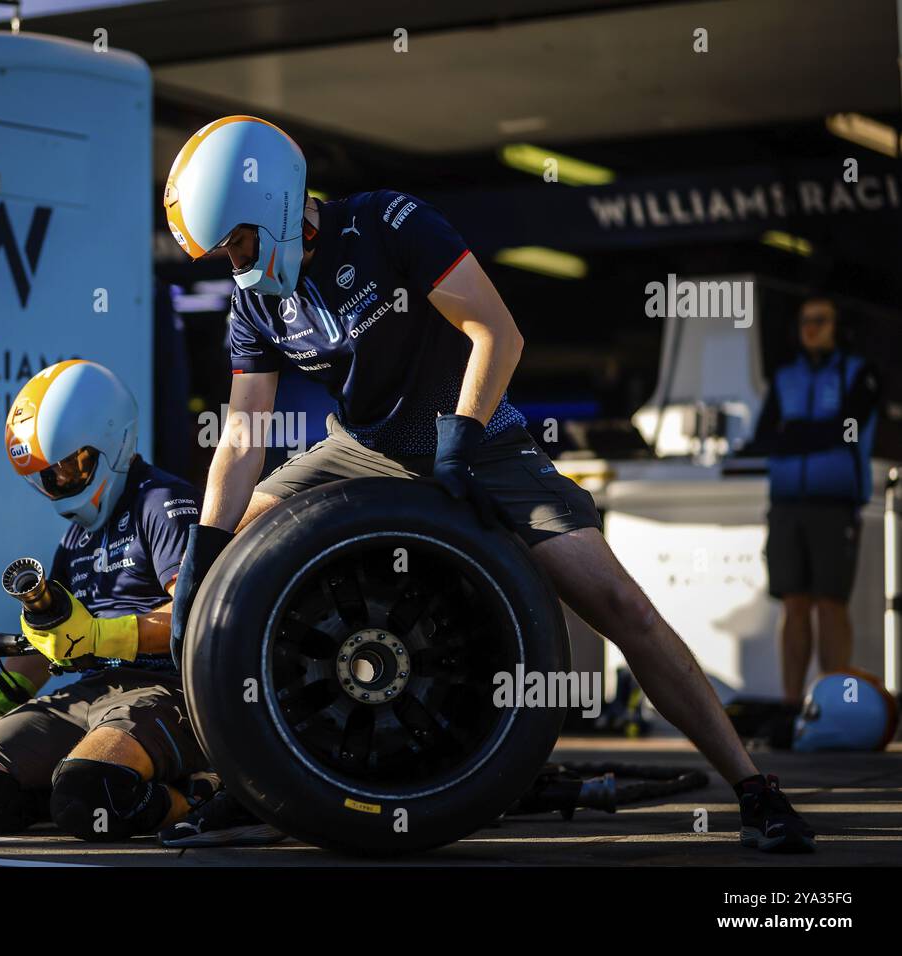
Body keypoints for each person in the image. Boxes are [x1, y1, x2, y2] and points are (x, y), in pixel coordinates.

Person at [160, 115, 816, 853]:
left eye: (237, 242)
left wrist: (459, 438)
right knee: (214, 587)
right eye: (223, 252)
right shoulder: (254, 301)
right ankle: (237, 786)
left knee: (622, 604)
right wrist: (207, 551)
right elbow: (243, 434)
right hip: (361, 448)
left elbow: (498, 333)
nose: (235, 262)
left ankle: (755, 789)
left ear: (273, 202)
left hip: (477, 439)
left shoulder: (388, 221)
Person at [0, 360, 241, 843]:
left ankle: (201, 796)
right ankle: (78, 792)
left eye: (69, 468)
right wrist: (11, 687)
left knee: (90, 796)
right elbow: (53, 634)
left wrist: (105, 634)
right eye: (45, 476)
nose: (57, 485)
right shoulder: (76, 536)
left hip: (164, 689)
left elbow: (197, 619)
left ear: (113, 442)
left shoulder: (161, 503)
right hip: (92, 691)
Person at [750, 295, 880, 703]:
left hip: (834, 503)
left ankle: (835, 706)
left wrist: (796, 434)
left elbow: (846, 432)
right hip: (787, 503)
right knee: (794, 603)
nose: (811, 328)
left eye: (821, 320)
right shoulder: (785, 377)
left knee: (830, 604)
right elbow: (764, 437)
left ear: (839, 326)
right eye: (806, 320)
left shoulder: (860, 373)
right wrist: (813, 433)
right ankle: (793, 706)